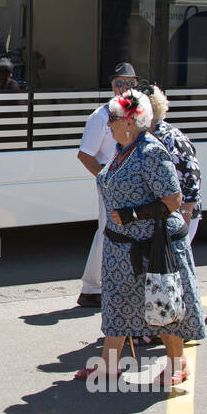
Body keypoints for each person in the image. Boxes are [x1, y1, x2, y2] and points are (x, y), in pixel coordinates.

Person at [73, 88, 206, 387]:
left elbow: (173, 199)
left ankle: (176, 364)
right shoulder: (124, 150)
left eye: (113, 119)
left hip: (153, 247)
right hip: (123, 247)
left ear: (130, 122)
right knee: (117, 304)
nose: (108, 125)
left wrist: (133, 214)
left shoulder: (151, 152)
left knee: (162, 305)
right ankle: (108, 367)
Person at [75, 63, 140, 308]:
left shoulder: (135, 114)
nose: (124, 88)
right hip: (112, 183)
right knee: (107, 234)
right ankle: (92, 289)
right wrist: (107, 180)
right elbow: (85, 155)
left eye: (130, 84)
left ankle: (111, 287)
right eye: (119, 83)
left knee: (122, 235)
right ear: (112, 86)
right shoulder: (101, 117)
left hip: (132, 184)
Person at [145, 82, 203, 246]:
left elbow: (191, 180)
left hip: (176, 218)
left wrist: (182, 227)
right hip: (157, 217)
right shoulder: (142, 136)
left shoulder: (172, 137)